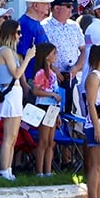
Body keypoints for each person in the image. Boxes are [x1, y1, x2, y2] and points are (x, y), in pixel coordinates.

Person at [0, 19, 36, 181]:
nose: (20, 35)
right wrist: (28, 58)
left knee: (14, 136)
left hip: (15, 93)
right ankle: (4, 170)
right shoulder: (4, 50)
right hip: (9, 93)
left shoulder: (12, 52)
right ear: (10, 33)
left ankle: (8, 169)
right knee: (8, 136)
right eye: (17, 32)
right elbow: (16, 73)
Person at [42, 0, 85, 114]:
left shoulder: (74, 26)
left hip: (72, 77)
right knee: (53, 113)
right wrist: (53, 68)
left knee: (72, 111)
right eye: (68, 5)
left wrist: (76, 67)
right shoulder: (44, 26)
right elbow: (39, 53)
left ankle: (71, 132)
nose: (72, 8)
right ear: (56, 8)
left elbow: (83, 50)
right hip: (52, 78)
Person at [32, 42, 61, 177]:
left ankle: (48, 170)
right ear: (46, 55)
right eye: (53, 53)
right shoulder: (41, 73)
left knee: (51, 141)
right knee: (43, 141)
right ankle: (39, 170)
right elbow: (36, 91)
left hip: (53, 108)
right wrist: (51, 94)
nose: (56, 56)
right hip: (44, 106)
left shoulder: (53, 74)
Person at [17, 0, 51, 86]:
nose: (49, 6)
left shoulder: (35, 23)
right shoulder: (25, 25)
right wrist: (24, 83)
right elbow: (20, 55)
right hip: (31, 79)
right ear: (35, 5)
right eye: (45, 3)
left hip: (39, 78)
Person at [84, 45, 100, 198]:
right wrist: (97, 128)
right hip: (96, 122)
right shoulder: (94, 77)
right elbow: (91, 103)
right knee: (96, 165)